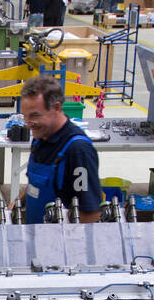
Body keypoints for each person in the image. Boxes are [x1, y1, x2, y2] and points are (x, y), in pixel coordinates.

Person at [18, 75, 101, 224]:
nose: (29, 124)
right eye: (25, 117)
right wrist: (16, 203)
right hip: (35, 233)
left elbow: (90, 214)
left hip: (60, 241)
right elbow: (35, 184)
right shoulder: (40, 138)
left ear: (56, 107)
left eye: (35, 116)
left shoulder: (78, 151)